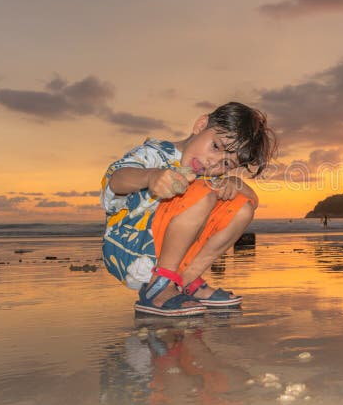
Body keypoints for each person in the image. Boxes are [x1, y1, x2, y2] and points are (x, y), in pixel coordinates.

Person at [101, 102, 276, 316]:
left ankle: (186, 280)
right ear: (201, 125)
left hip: (169, 257)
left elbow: (252, 199)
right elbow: (116, 180)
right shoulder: (155, 153)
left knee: (242, 208)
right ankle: (160, 286)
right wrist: (151, 176)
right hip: (131, 249)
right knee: (203, 192)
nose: (213, 163)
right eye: (215, 146)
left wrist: (233, 182)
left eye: (227, 164)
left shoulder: (210, 177)